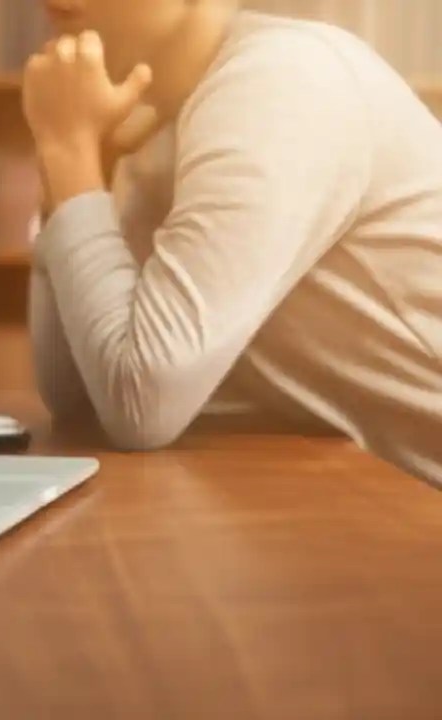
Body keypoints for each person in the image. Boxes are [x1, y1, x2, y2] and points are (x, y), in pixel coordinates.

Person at [24, 0, 442, 486]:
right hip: (379, 500)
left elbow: (138, 402)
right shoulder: (158, 111)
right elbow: (78, 398)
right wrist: (75, 168)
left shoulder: (280, 81)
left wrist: (69, 152)